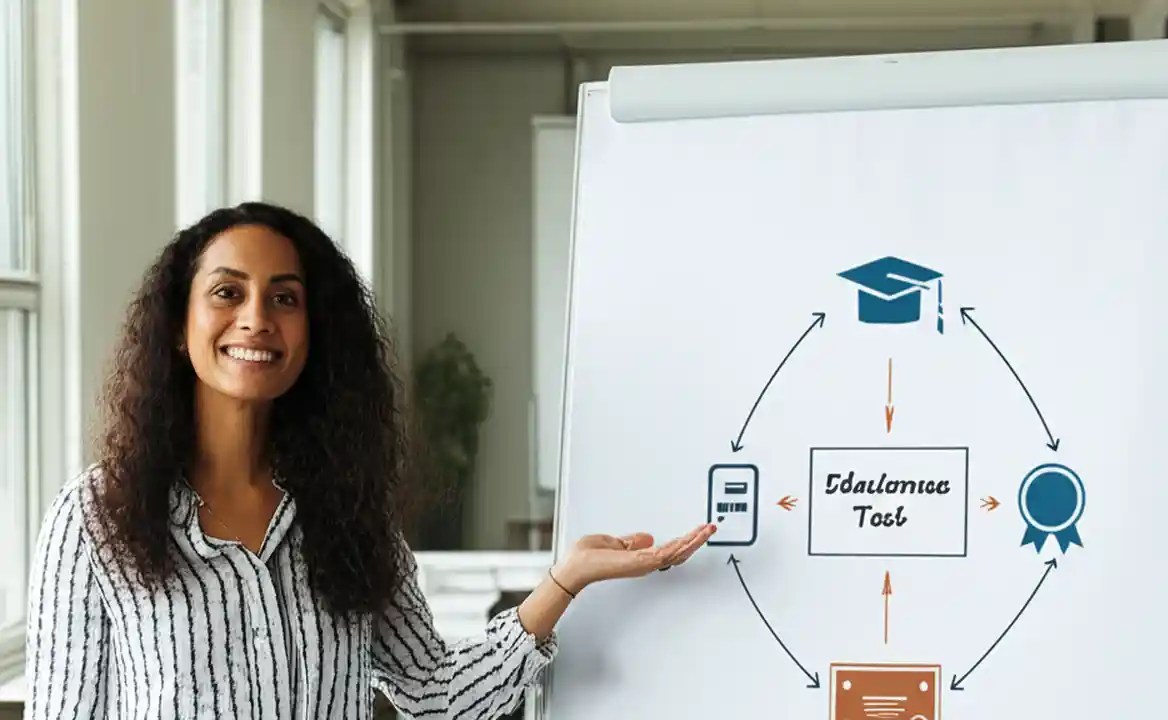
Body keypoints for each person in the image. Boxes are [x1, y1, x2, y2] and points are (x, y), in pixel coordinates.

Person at [24, 201, 716, 719]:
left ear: (313, 333)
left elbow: (437, 695)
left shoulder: (347, 512)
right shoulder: (96, 520)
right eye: (227, 292)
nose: (257, 318)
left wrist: (564, 582)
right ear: (179, 327)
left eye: (285, 298)